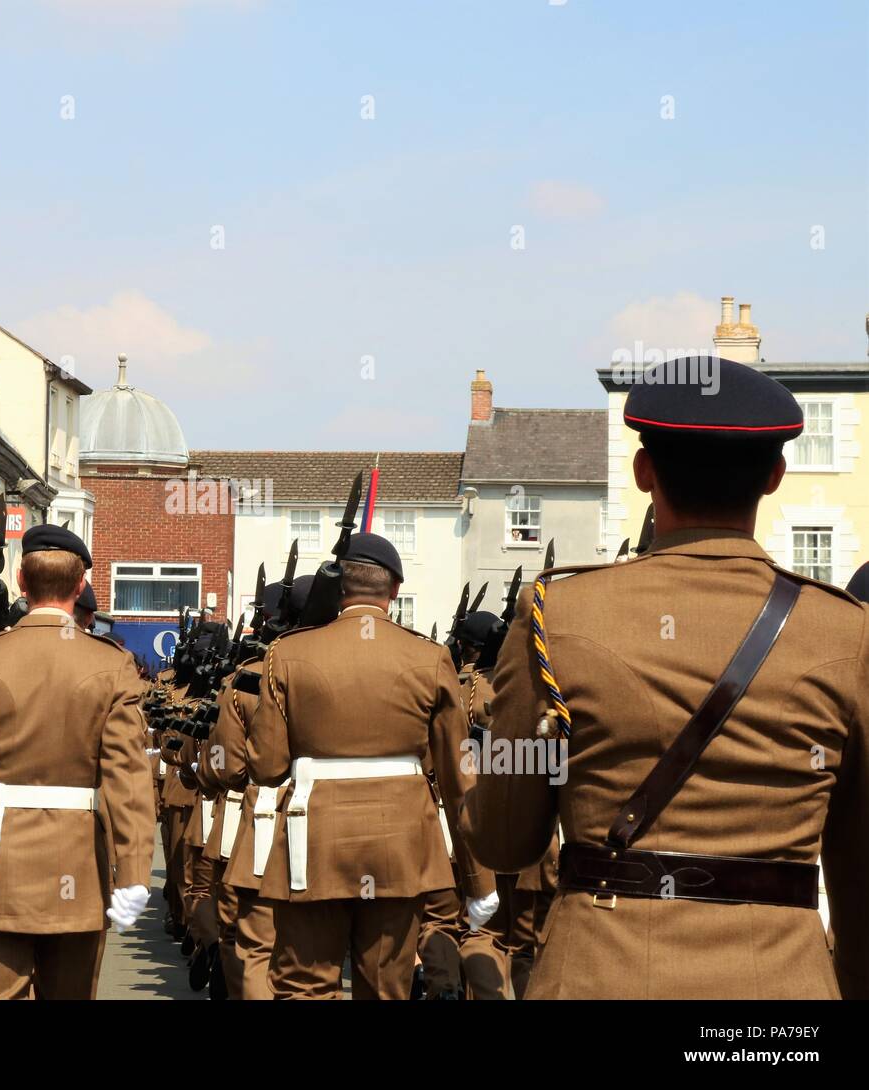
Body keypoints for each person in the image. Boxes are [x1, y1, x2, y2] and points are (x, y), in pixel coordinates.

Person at [463, 357, 869, 1000]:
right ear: (775, 476)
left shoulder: (557, 612)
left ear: (643, 470)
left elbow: (505, 838)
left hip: (602, 972)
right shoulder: (847, 631)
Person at [247, 532, 497, 999]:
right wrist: (478, 881)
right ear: (395, 590)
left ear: (339, 588)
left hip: (313, 841)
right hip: (399, 845)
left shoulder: (288, 653)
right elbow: (460, 777)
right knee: (386, 985)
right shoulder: (431, 656)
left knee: (304, 985)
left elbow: (266, 765)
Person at [0, 524, 156, 1000]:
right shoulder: (113, 664)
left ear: (20, 581)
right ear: (79, 587)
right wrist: (133, 874)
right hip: (78, 862)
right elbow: (128, 782)